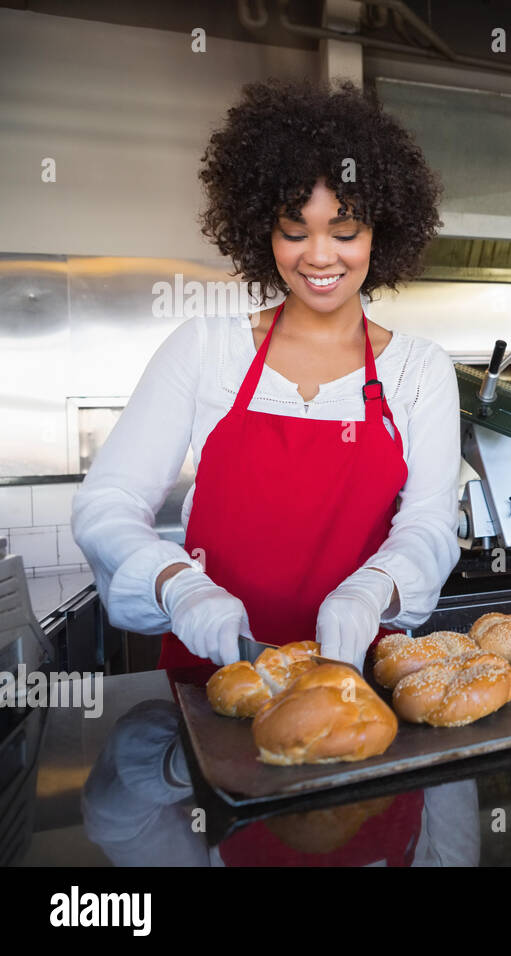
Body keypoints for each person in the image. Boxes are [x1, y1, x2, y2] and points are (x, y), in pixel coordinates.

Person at [71, 78, 462, 676]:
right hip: (214, 683)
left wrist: (373, 589)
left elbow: (430, 524)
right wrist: (178, 585)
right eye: (294, 230)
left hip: (360, 685)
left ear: (382, 231)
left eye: (345, 231)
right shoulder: (206, 349)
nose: (320, 256)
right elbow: (109, 503)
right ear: (263, 229)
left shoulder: (418, 369)